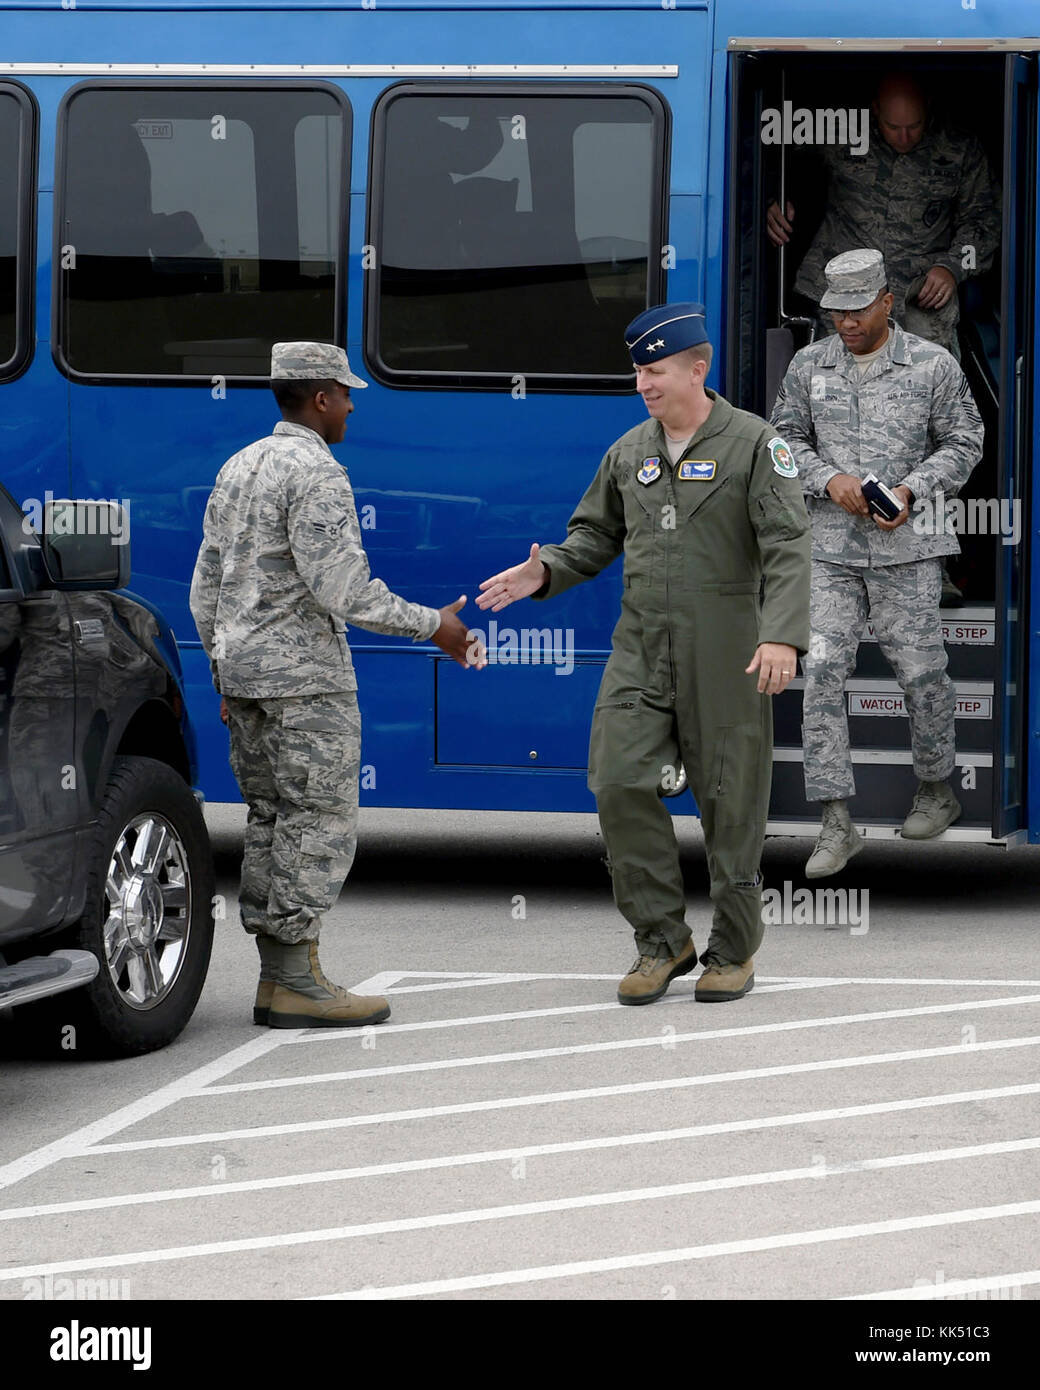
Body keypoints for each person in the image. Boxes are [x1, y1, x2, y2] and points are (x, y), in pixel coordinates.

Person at [478, 304, 811, 1005]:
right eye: (637, 371)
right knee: (619, 779)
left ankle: (733, 950)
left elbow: (786, 544)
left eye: (654, 370)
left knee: (730, 804)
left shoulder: (755, 445)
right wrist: (546, 572)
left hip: (727, 654)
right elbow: (591, 537)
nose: (643, 384)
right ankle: (662, 940)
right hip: (641, 651)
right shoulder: (629, 453)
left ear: (699, 367)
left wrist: (781, 633)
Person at [189, 342, 481, 1028]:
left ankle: (277, 979)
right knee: (316, 823)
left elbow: (207, 587)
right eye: (345, 393)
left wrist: (223, 675)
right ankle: (296, 980)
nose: (352, 404)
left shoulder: (239, 465)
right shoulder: (316, 472)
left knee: (270, 820)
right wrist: (432, 625)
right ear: (319, 398)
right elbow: (342, 588)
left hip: (248, 679)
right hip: (305, 685)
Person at [770, 251, 984, 876]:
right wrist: (826, 477)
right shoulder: (810, 366)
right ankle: (836, 821)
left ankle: (936, 789)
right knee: (824, 670)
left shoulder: (931, 364)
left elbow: (966, 439)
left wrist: (915, 488)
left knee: (921, 674)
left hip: (909, 547)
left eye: (859, 309)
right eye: (836, 311)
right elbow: (782, 440)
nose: (847, 323)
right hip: (830, 548)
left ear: (888, 301)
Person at [767, 72, 1000, 353]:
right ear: (874, 109)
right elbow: (771, 149)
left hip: (922, 299)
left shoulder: (959, 148)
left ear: (928, 106)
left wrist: (953, 267)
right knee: (841, 390)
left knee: (926, 390)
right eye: (893, 126)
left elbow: (984, 219)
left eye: (914, 126)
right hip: (847, 296)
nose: (904, 137)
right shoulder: (839, 129)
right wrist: (773, 198)